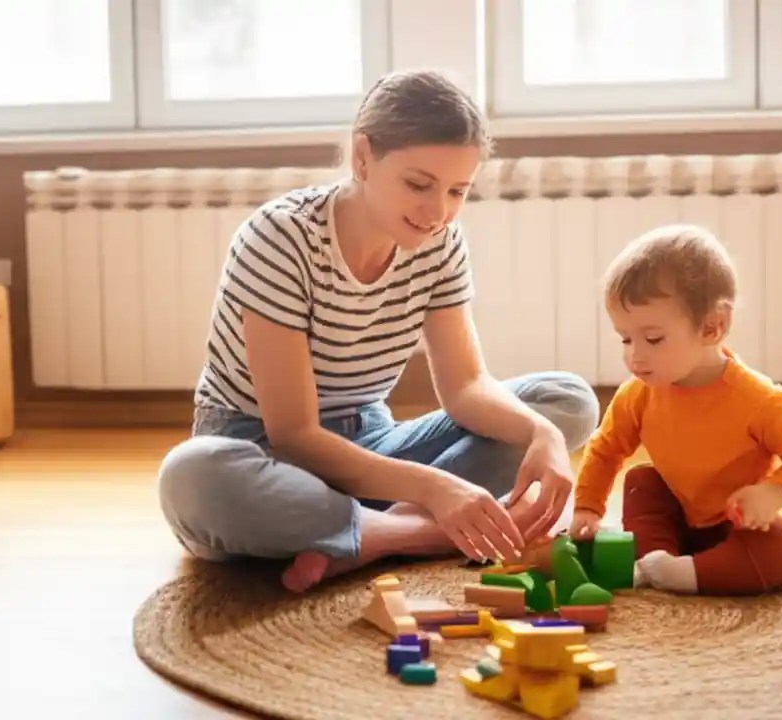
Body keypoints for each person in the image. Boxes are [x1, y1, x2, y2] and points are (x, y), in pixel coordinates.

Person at [156, 69, 599, 593]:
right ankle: (419, 534)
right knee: (192, 478)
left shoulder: (440, 244)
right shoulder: (280, 238)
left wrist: (540, 434)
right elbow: (295, 437)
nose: (438, 212)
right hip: (260, 451)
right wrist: (438, 489)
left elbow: (466, 388)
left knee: (565, 401)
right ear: (362, 156)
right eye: (418, 184)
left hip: (370, 444)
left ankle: (361, 534)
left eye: (458, 190)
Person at [570, 224, 782, 595]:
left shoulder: (759, 400)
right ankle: (657, 557)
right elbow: (606, 448)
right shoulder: (639, 395)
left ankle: (685, 573)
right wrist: (587, 509)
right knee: (642, 482)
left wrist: (774, 492)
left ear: (713, 327)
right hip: (677, 518)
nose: (634, 356)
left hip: (738, 528)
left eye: (653, 339)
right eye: (625, 339)